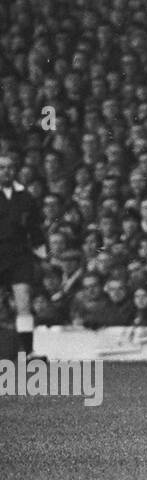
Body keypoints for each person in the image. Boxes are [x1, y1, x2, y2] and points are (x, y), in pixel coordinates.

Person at [0, 152, 44, 360]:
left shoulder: (26, 197)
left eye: (9, 167)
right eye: (1, 168)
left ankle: (28, 352)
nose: (5, 171)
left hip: (19, 256)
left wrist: (43, 255)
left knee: (23, 301)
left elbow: (35, 230)